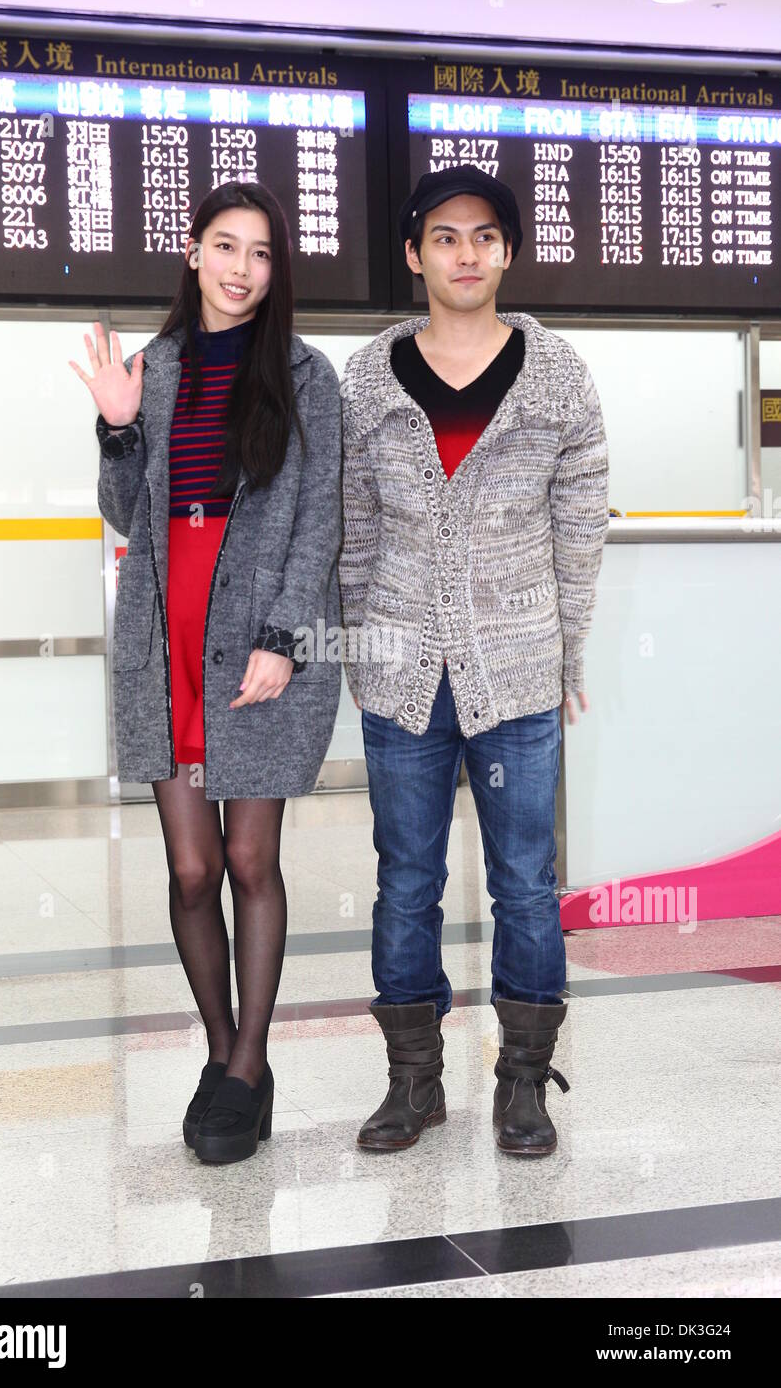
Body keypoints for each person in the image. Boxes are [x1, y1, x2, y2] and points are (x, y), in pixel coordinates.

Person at [338, 165, 610, 1157]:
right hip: (400, 679)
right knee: (404, 881)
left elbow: (578, 528)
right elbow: (352, 528)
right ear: (413, 253)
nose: (465, 253)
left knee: (525, 885)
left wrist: (562, 649)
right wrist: (364, 654)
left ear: (505, 252)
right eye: (444, 236)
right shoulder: (368, 374)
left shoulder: (555, 373)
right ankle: (411, 1082)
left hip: (518, 675)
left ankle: (523, 1081)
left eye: (484, 236)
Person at [71, 180, 343, 1165]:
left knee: (247, 862)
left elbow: (318, 521)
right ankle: (226, 1053)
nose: (240, 268)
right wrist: (114, 425)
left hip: (255, 634)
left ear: (277, 271)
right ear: (191, 253)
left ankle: (244, 1064)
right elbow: (122, 510)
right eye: (224, 246)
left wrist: (283, 637)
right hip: (164, 633)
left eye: (260, 253)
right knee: (189, 869)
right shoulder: (155, 367)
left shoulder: (307, 378)